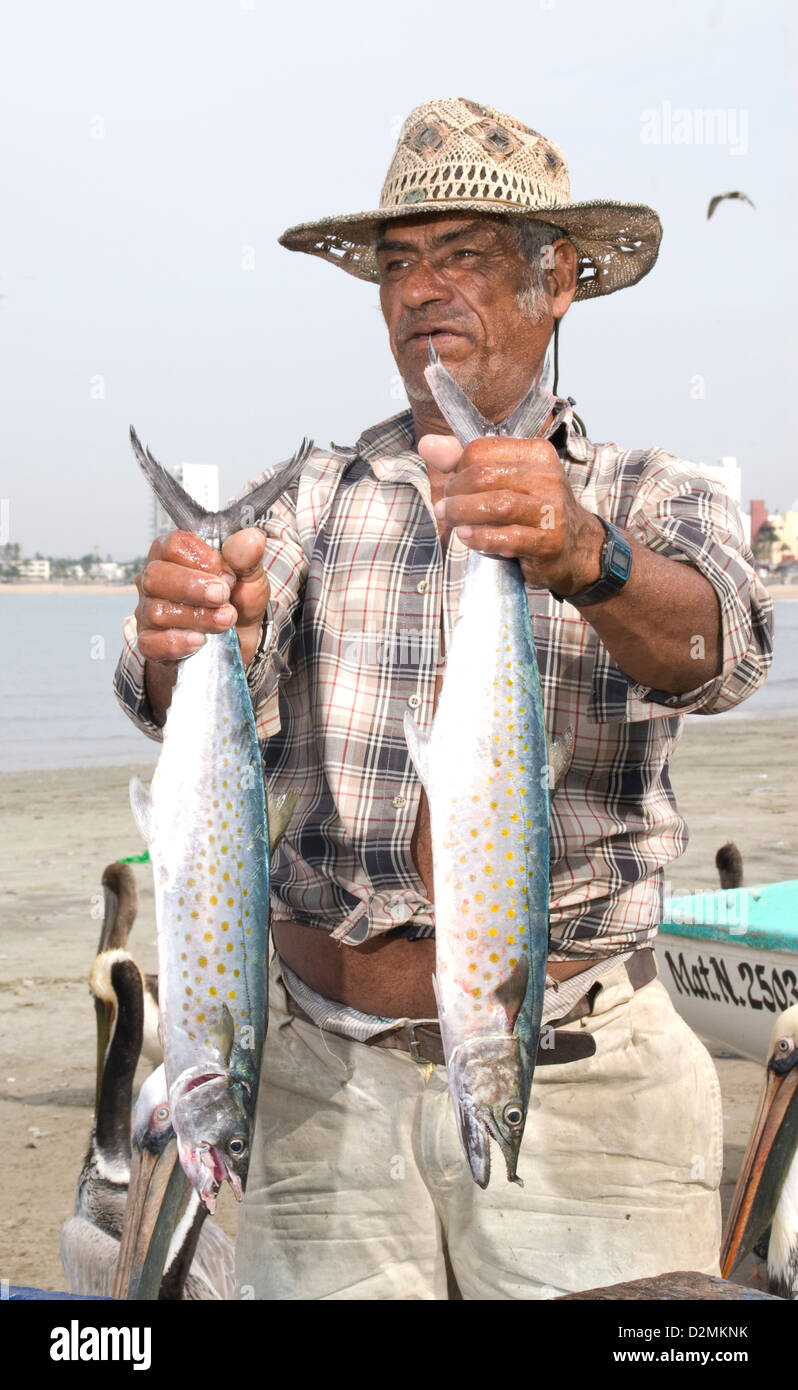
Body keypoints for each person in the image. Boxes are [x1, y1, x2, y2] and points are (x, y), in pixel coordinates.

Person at [115, 97, 773, 1300]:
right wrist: (181, 634)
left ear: (557, 280)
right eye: (400, 263)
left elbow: (724, 648)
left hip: (585, 1080)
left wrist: (588, 551)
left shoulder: (649, 488)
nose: (422, 289)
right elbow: (172, 706)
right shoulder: (308, 500)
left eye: (463, 255)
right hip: (319, 1086)